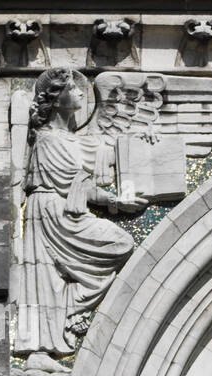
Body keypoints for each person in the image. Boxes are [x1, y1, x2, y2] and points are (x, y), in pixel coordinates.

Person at [14, 68, 148, 354]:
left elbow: (92, 174)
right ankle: (60, 313)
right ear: (58, 99)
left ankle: (64, 307)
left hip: (68, 211)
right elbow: (77, 185)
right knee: (119, 243)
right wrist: (117, 202)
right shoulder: (47, 139)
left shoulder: (78, 139)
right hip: (53, 213)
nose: (79, 93)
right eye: (73, 89)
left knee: (120, 243)